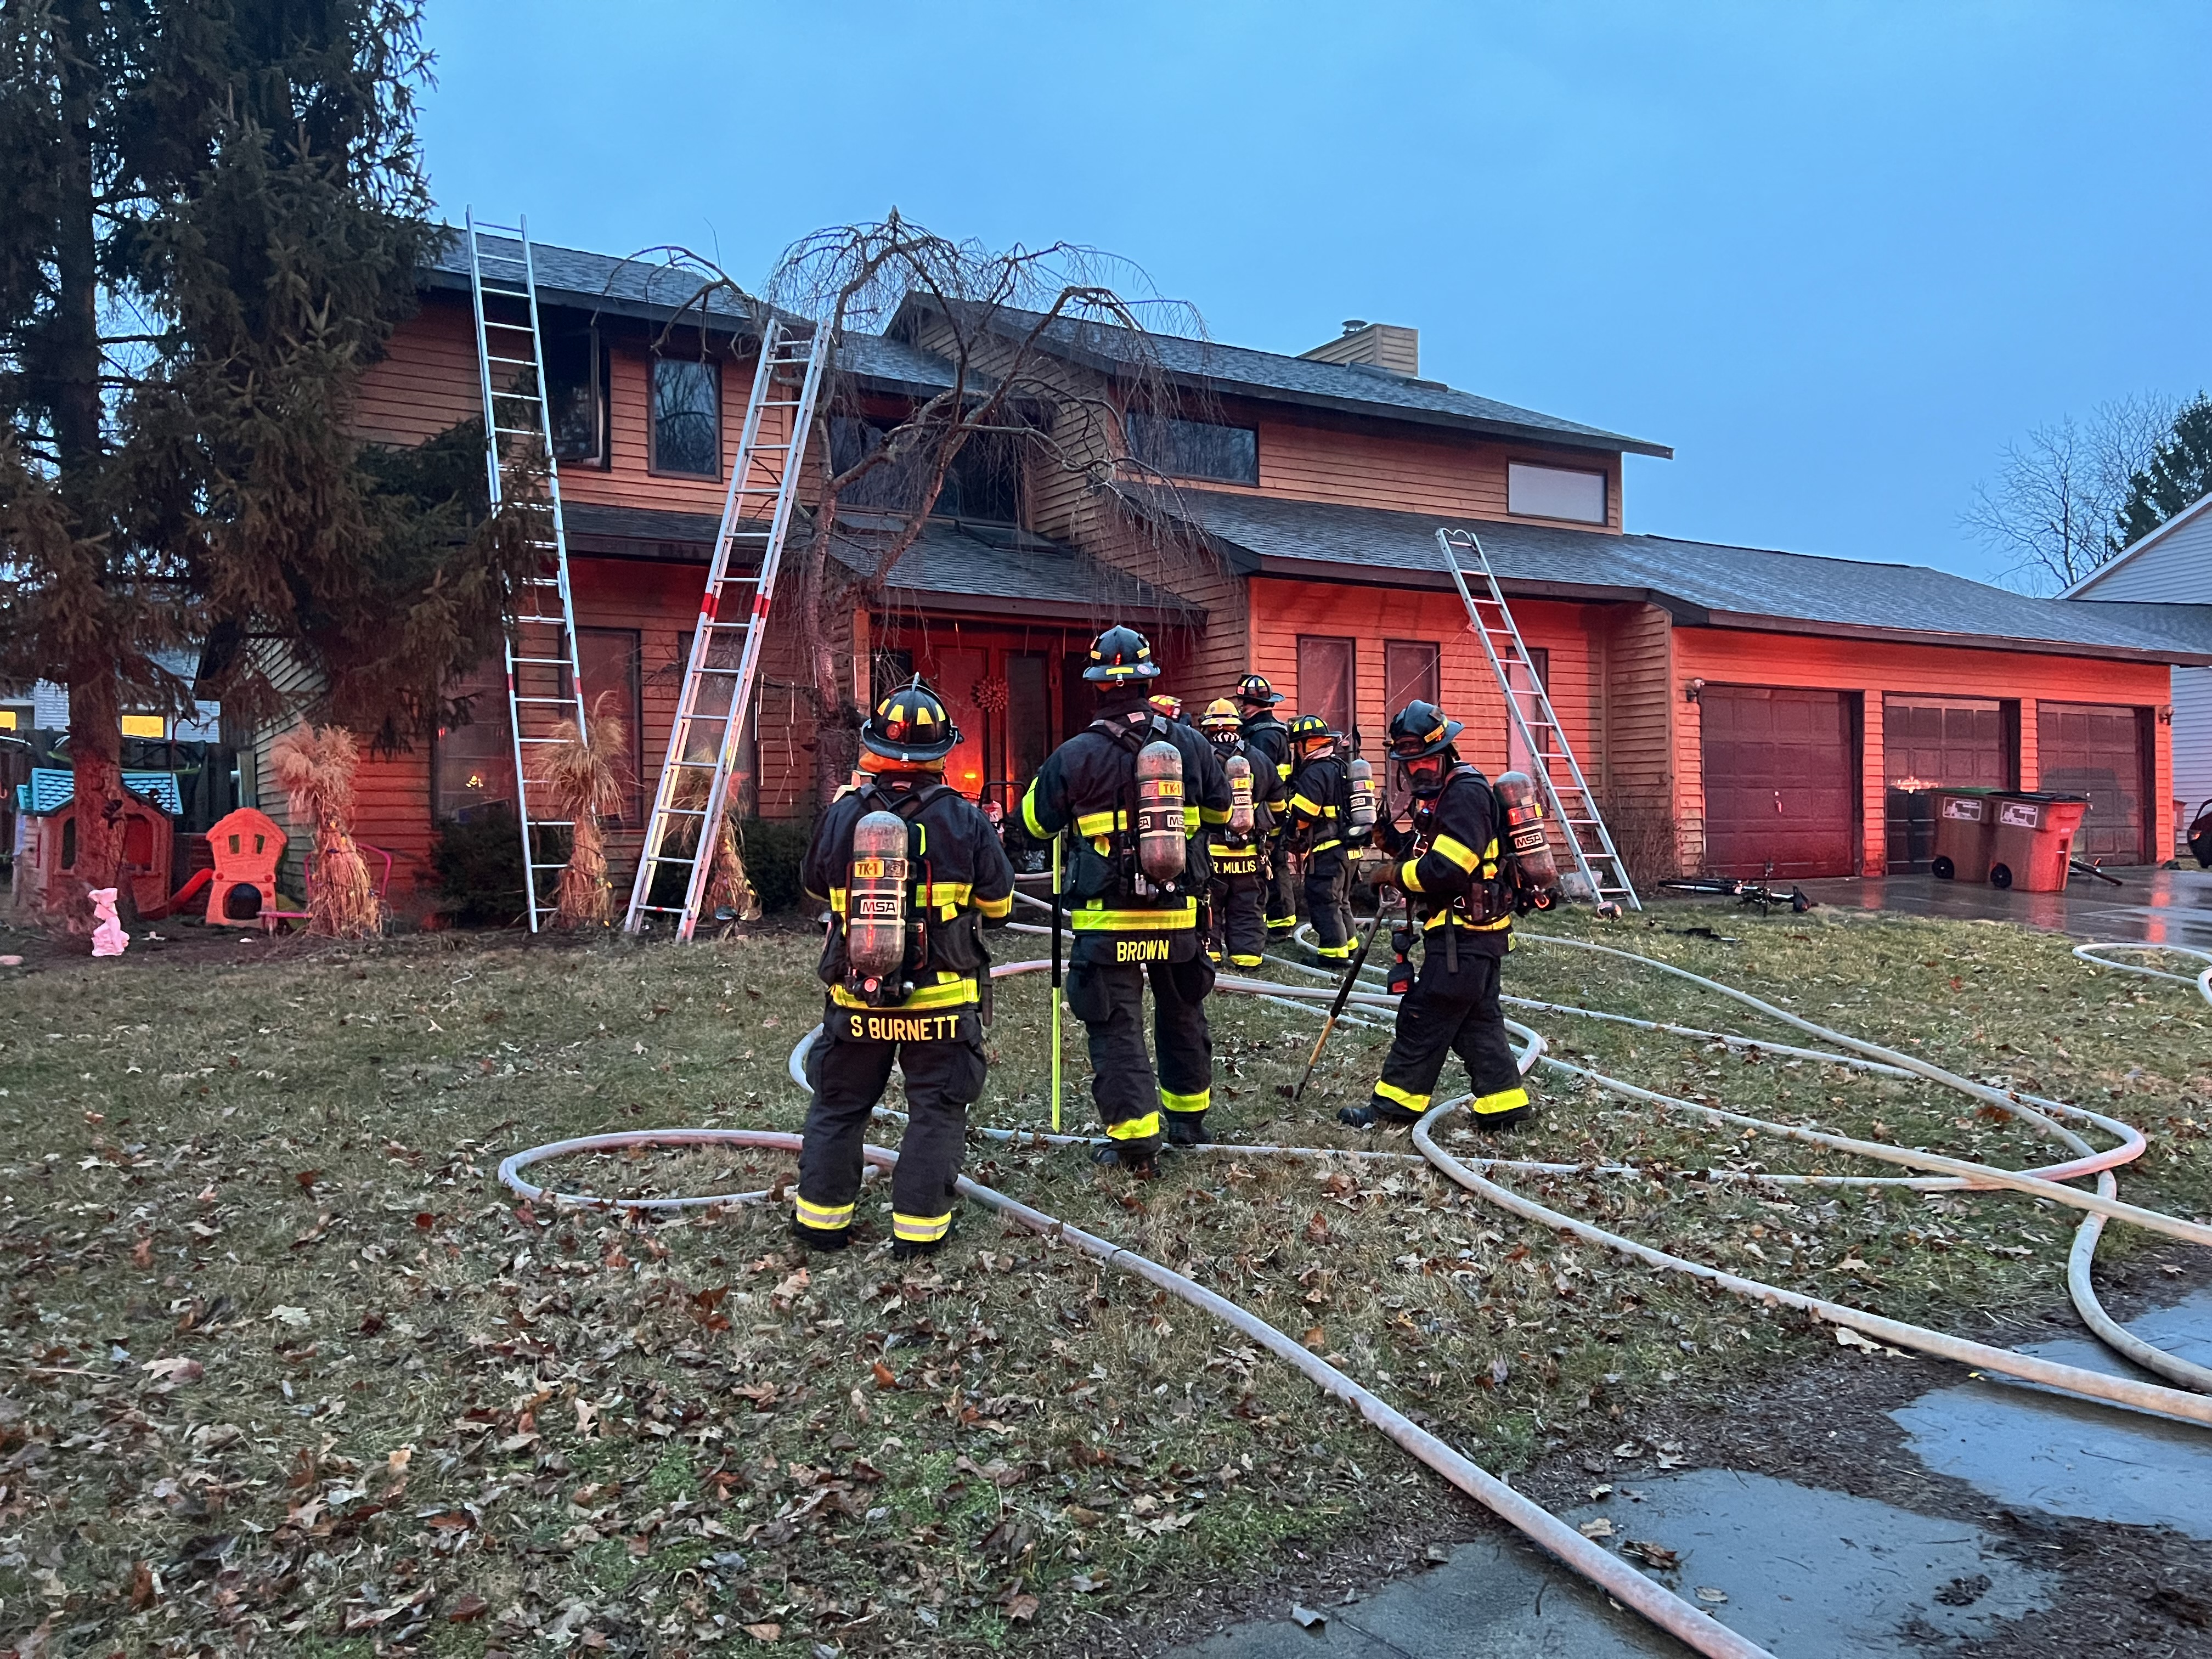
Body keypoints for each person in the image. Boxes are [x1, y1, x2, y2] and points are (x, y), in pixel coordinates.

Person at [794, 678, 1015, 1256]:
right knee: (936, 1112)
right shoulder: (965, 820)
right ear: (943, 753)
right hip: (940, 1001)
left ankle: (821, 1225)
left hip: (856, 998)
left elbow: (817, 889)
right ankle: (918, 1237)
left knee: (839, 1107)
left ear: (875, 749)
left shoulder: (844, 815)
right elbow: (999, 906)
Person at [1022, 625, 1232, 1167]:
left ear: (1096, 686)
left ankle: (1136, 1141)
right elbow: (1223, 815)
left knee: (1115, 1022)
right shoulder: (1189, 744)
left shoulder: (1076, 754)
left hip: (1108, 918)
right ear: (1147, 680)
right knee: (1183, 1011)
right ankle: (1188, 1120)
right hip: (1177, 911)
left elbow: (1034, 825)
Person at [1337, 698, 1533, 1133]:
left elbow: (1448, 869)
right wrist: (1388, 841)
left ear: (1445, 751)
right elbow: (1427, 852)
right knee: (1477, 1022)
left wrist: (1394, 874)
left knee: (1423, 1017)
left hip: (1463, 934)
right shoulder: (1440, 797)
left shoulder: (1465, 794)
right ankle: (1505, 1106)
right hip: (1471, 935)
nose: (1417, 769)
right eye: (1409, 762)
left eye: (1425, 758)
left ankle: (1393, 1109)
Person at [1198, 697, 1282, 968]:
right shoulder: (1258, 759)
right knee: (1247, 907)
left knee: (1209, 905)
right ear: (1238, 726)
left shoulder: (1200, 761)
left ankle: (1210, 955)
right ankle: (1248, 958)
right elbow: (1279, 806)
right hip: (1249, 853)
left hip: (1210, 853)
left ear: (1207, 728)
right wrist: (1270, 839)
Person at [1283, 714, 1355, 960]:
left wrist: (1290, 818)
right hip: (1350, 849)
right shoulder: (1341, 766)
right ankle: (1350, 945)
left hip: (1328, 848)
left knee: (1324, 900)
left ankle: (1333, 954)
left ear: (1305, 745)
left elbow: (1305, 813)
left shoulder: (1315, 772)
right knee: (1341, 900)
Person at [1235, 674, 1297, 938]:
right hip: (1278, 804)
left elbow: (1262, 775)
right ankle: (1281, 919)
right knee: (1276, 860)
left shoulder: (1262, 736)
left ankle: (1278, 922)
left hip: (1265, 808)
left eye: (1246, 703)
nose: (1242, 707)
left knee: (1268, 860)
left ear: (1259, 704)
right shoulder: (1276, 730)